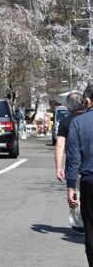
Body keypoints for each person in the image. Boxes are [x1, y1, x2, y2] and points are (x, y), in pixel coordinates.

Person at [64, 84, 93, 263]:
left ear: (88, 101)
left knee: (90, 231)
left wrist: (70, 186)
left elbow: (73, 158)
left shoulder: (78, 122)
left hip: (89, 181)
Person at [57, 92, 86, 233]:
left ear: (68, 105)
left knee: (76, 192)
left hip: (73, 164)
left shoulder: (66, 122)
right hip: (89, 162)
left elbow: (60, 145)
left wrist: (59, 166)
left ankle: (78, 223)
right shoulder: (88, 119)